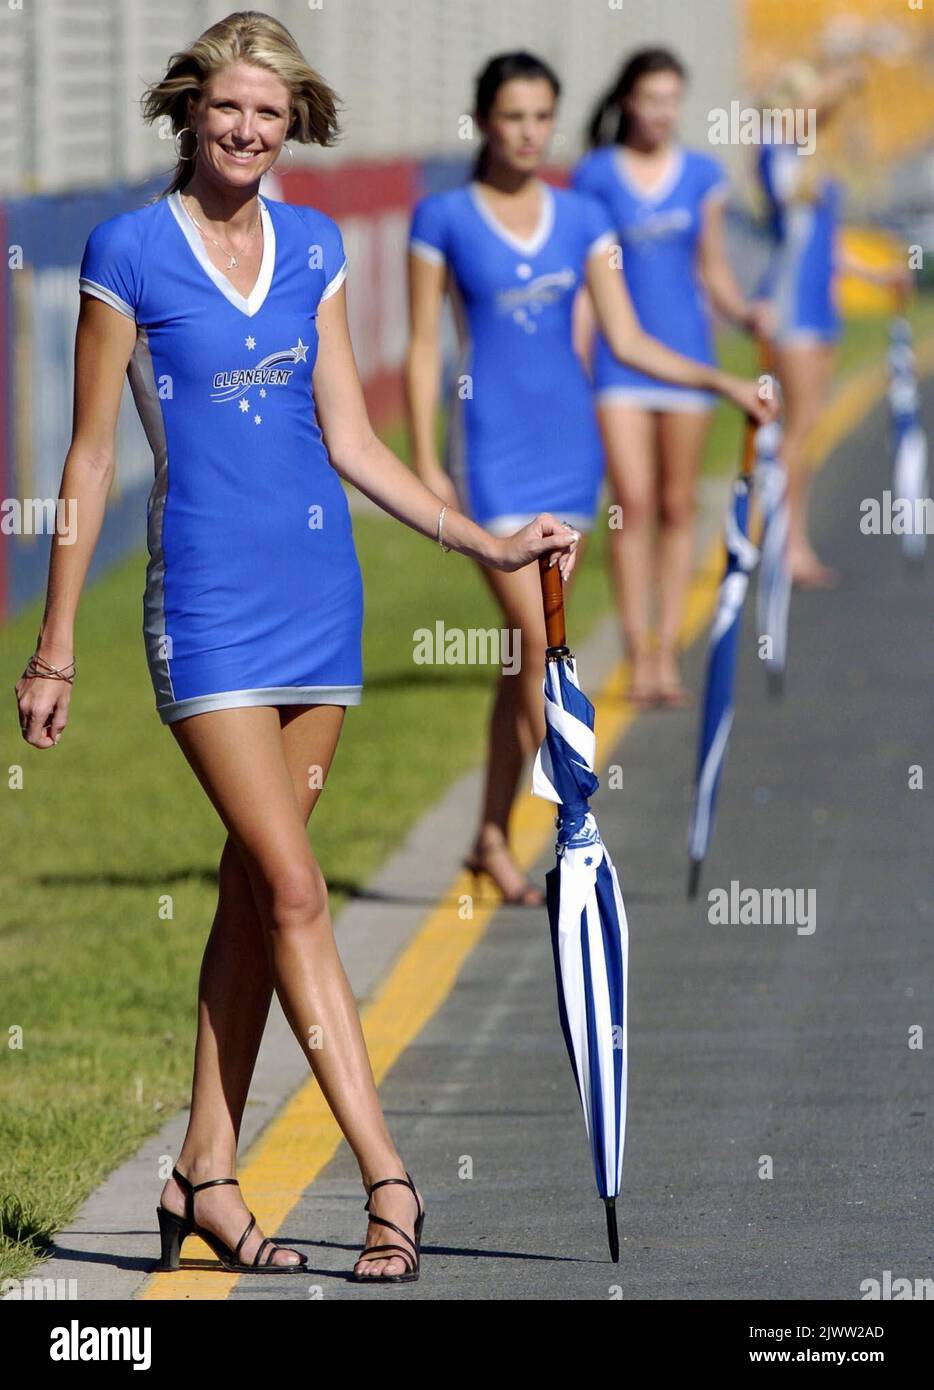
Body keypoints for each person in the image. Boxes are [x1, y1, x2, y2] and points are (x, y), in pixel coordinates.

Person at [12, 12, 582, 1286]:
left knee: (254, 896)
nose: (248, 131)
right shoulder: (130, 252)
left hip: (319, 607)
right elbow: (91, 456)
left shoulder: (317, 243)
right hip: (205, 616)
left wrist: (483, 543)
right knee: (299, 890)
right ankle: (390, 1173)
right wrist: (55, 646)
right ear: (188, 111)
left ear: (294, 122)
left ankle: (202, 1173)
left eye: (269, 114)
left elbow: (356, 443)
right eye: (228, 110)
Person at [405, 51, 776, 906]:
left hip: (570, 450)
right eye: (512, 118)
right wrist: (426, 460)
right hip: (488, 456)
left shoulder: (582, 218)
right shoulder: (443, 217)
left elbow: (630, 338)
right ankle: (579, 824)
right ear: (483, 122)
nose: (529, 133)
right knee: (539, 645)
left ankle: (491, 839)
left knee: (522, 662)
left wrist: (719, 382)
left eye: (542, 117)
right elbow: (426, 346)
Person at [571, 48, 770, 707]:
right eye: (649, 98)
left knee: (679, 505)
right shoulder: (595, 175)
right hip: (619, 362)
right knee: (633, 502)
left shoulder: (701, 175)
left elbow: (711, 266)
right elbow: (581, 276)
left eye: (670, 100)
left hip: (687, 356)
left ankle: (667, 647)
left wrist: (742, 311)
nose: (660, 112)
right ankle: (638, 654)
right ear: (627, 100)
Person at [754, 45, 913, 588]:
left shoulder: (811, 156)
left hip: (821, 307)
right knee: (796, 430)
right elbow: (815, 109)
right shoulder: (774, 149)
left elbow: (828, 244)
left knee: (808, 427)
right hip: (791, 307)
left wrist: (875, 276)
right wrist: (843, 74)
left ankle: (791, 538)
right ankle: (786, 543)